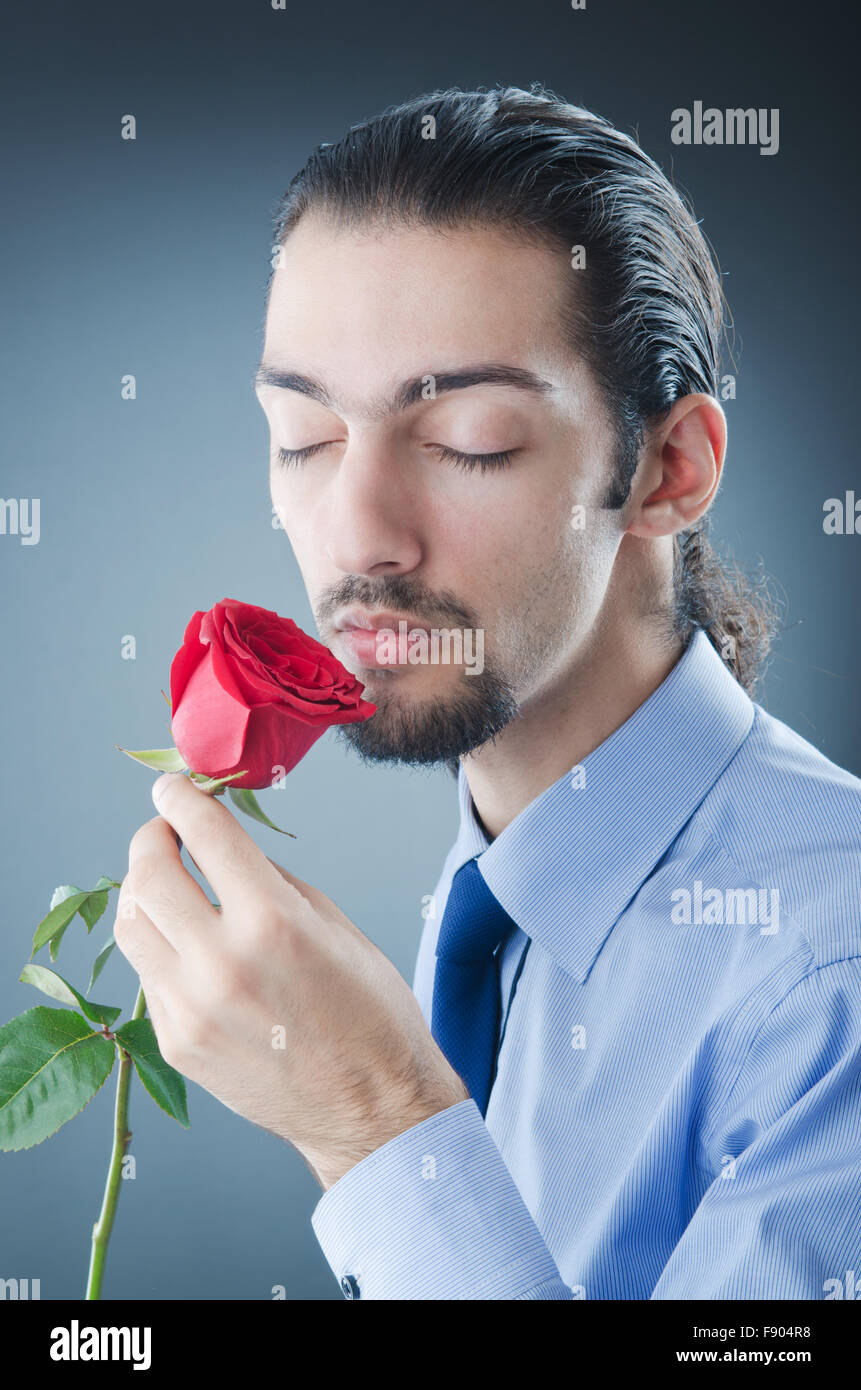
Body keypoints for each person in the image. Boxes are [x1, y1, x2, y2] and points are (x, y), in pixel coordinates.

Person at [116, 85, 861, 1300]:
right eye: (302, 437)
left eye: (468, 437)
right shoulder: (492, 896)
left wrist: (375, 1123)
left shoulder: (835, 983)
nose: (356, 535)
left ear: (669, 469)